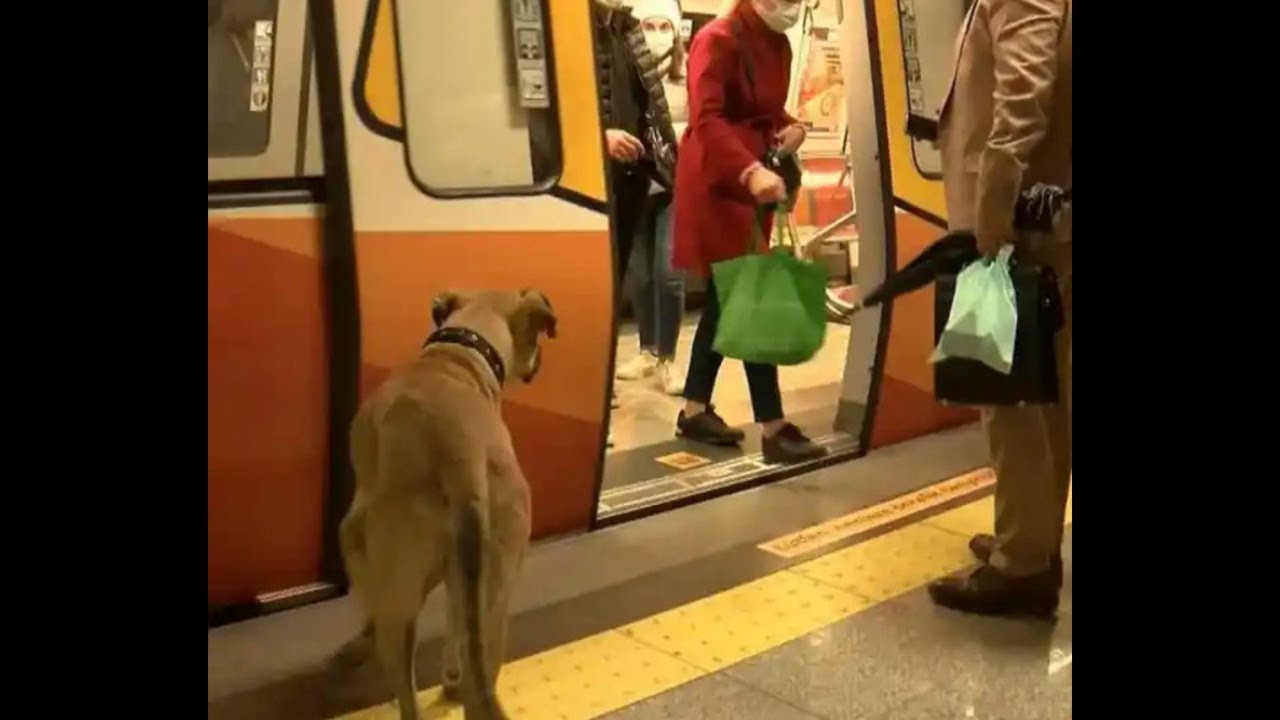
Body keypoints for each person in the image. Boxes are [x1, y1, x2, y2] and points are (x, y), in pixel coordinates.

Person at [926, 0, 1072, 617]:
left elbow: (1023, 89)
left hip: (1012, 226)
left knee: (1007, 391)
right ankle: (1033, 538)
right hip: (1044, 216)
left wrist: (992, 205)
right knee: (1050, 389)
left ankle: (1021, 564)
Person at [669, 0, 826, 464]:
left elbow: (768, 109)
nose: (793, 6)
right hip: (721, 183)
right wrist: (750, 171)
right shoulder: (716, 39)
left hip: (753, 184)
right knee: (749, 295)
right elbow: (707, 118)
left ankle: (694, 409)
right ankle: (774, 425)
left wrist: (792, 127)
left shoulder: (776, 42)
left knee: (729, 299)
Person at [592, 0, 681, 442]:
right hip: (592, 177)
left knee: (617, 284)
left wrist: (669, 159)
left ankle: (601, 381)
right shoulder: (577, 28)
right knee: (595, 285)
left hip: (636, 178)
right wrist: (599, 134)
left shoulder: (627, 29)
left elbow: (653, 105)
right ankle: (590, 387)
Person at [614, 0, 690, 396]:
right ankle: (646, 349)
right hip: (637, 185)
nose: (658, 33)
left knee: (669, 274)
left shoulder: (687, 74)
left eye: (665, 26)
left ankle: (669, 359)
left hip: (676, 187)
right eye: (650, 25)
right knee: (639, 277)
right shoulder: (625, 73)